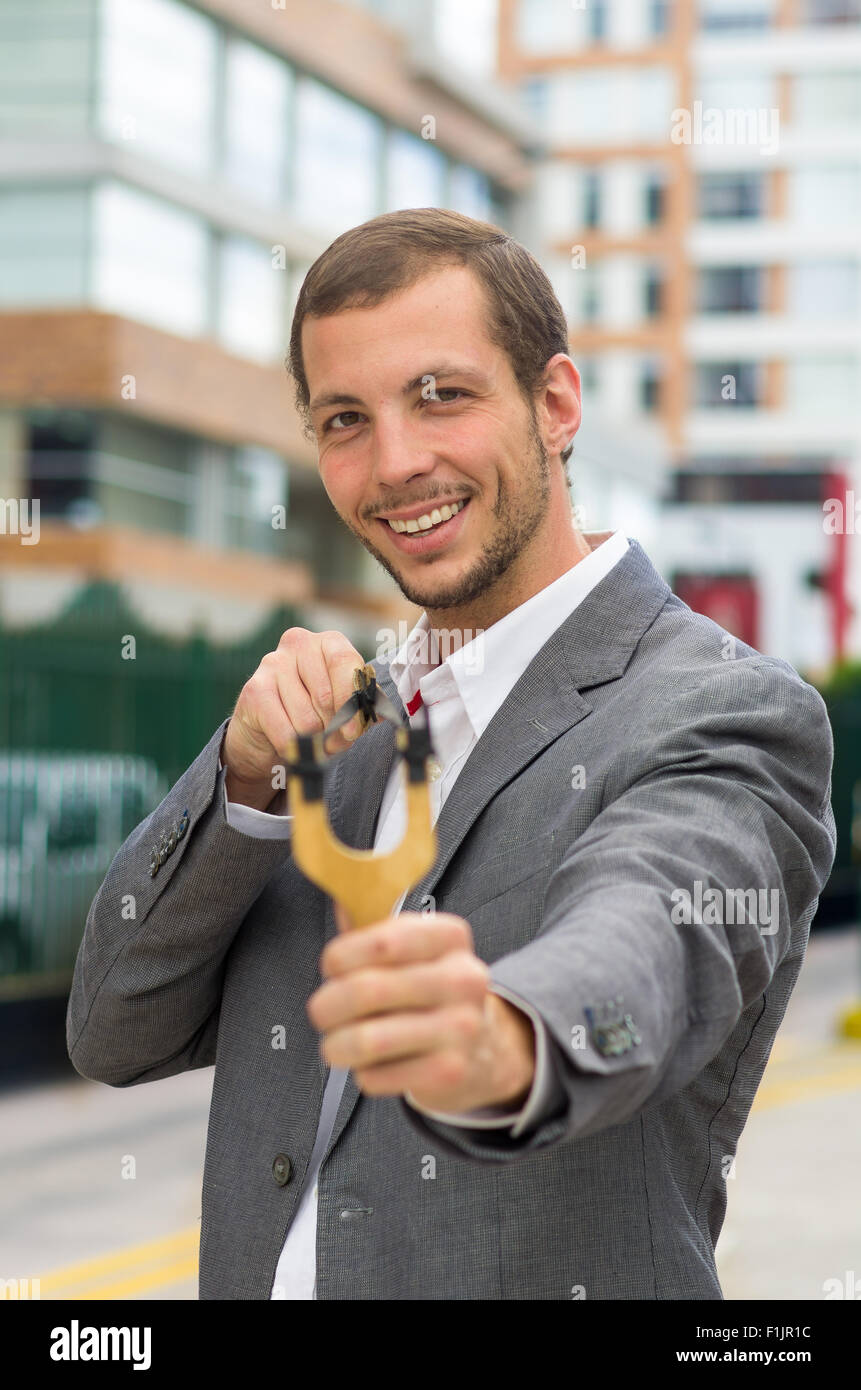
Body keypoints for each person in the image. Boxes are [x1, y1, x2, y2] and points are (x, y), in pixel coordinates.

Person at [67, 209, 836, 1300]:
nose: (396, 463)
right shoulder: (335, 732)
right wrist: (245, 780)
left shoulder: (722, 710)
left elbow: (650, 945)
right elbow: (112, 1029)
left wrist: (506, 1037)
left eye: (443, 395)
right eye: (344, 418)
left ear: (556, 403)